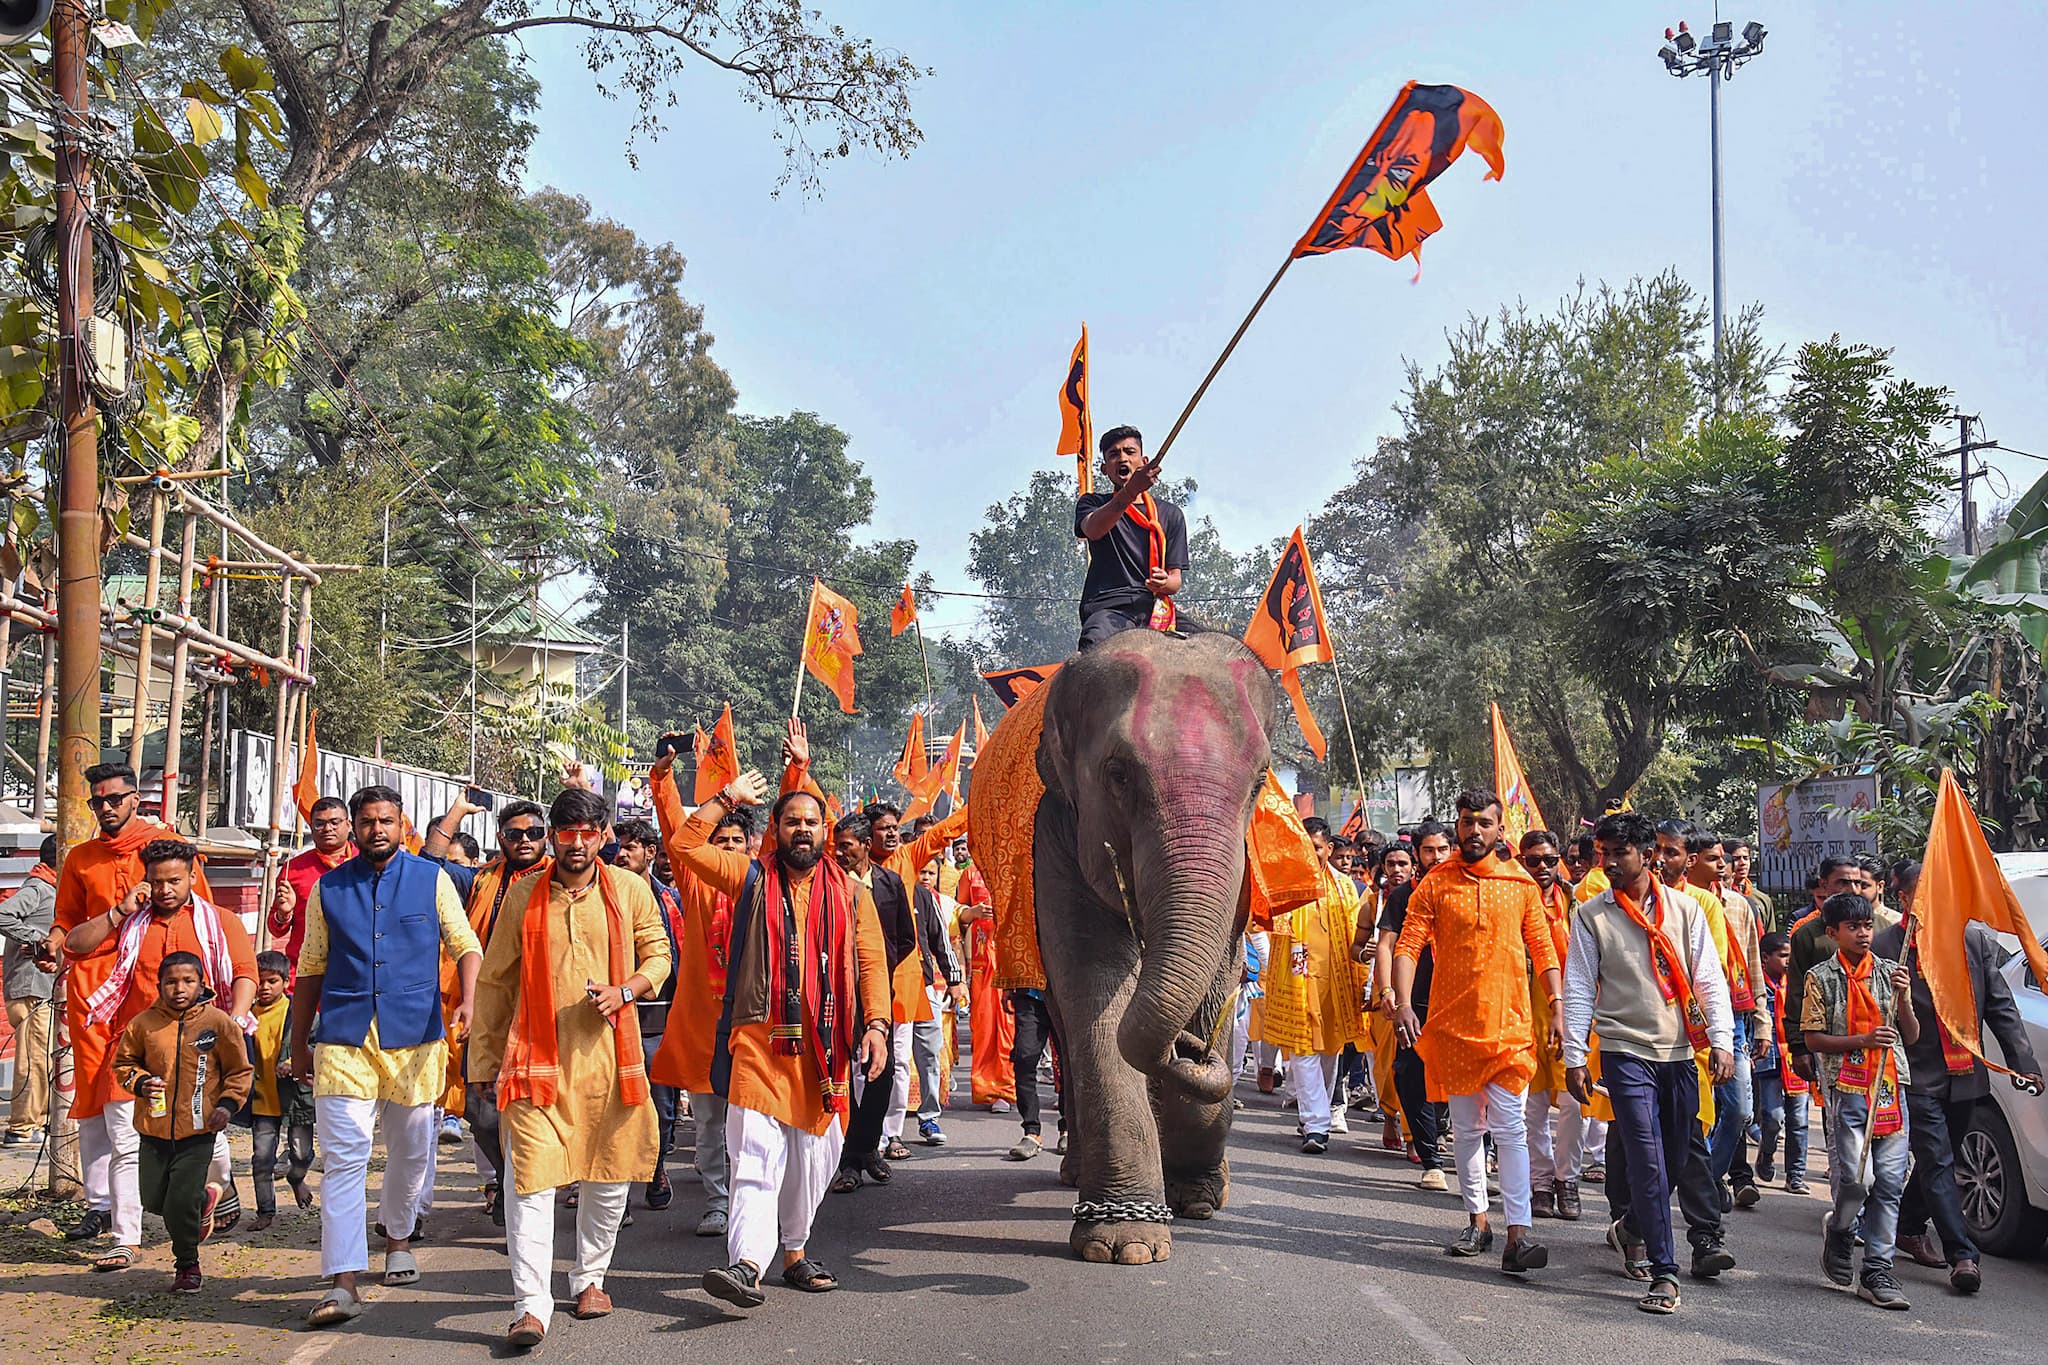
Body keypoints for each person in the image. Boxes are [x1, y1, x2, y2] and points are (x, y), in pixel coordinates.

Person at [667, 769, 890, 1310]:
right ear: (776, 827)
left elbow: (870, 961)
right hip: (758, 1041)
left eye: (812, 822)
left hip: (827, 1047)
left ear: (825, 829)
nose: (803, 830)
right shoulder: (747, 876)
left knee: (814, 1159)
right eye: (792, 821)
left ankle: (794, 1251)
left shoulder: (853, 895)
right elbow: (684, 844)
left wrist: (878, 1025)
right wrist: (726, 798)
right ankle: (746, 1262)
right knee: (754, 1155)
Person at [470, 787, 672, 1349]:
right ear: (555, 835)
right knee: (528, 1185)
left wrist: (626, 990)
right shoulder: (525, 894)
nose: (577, 844)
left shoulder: (630, 890)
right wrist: (482, 1060)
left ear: (603, 835)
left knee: (606, 1176)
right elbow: (494, 981)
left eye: (588, 833)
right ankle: (531, 1307)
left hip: (611, 1062)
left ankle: (590, 1278)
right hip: (536, 1062)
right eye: (566, 833)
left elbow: (659, 955)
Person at [285, 784, 482, 1328]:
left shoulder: (432, 879)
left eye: (386, 821)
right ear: (352, 827)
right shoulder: (327, 888)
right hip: (344, 1039)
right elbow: (309, 969)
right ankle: (343, 1280)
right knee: (344, 1160)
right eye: (367, 822)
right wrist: (299, 1041)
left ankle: (398, 1238)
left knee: (411, 1150)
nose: (377, 830)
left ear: (403, 824)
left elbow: (465, 944)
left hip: (416, 1037)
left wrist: (468, 1000)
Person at [1562, 811, 1733, 1315]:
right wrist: (1576, 1054)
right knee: (1646, 1156)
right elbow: (1577, 987)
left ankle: (1632, 1226)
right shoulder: (1590, 913)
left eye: (1621, 854)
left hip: (1681, 1050)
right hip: (1622, 1050)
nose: (1610, 863)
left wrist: (1721, 1040)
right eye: (1604, 854)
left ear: (1647, 855)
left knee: (1677, 1157)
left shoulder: (1685, 909)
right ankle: (1664, 1272)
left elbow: (1709, 979)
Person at [47, 763, 216, 1251]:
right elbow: (67, 923)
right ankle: (102, 1207)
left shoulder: (165, 850)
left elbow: (200, 916)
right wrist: (52, 944)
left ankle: (200, 1187)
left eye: (114, 799)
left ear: (135, 799)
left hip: (152, 991)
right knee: (96, 1102)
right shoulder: (80, 858)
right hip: (94, 997)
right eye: (97, 801)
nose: (106, 808)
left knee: (170, 1094)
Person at [1392, 792, 1562, 1273]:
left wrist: (1557, 1007)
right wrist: (1403, 1003)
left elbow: (1544, 950)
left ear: (1499, 830)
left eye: (1484, 823)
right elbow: (1408, 945)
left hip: (1510, 1028)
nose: (1474, 831)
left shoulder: (1520, 883)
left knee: (1511, 1130)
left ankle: (1519, 1234)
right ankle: (1477, 1221)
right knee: (1467, 1131)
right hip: (1454, 1029)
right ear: (1458, 825)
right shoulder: (1437, 884)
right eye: (1467, 822)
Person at [66, 835, 253, 1271]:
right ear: (145, 881)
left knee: (210, 1142)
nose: (166, 889)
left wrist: (234, 1021)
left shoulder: (219, 922)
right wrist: (117, 912)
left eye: (175, 880)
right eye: (157, 881)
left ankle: (217, 1188)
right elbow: (75, 945)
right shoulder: (130, 925)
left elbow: (243, 972)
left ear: (192, 877)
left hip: (201, 1053)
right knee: (127, 1145)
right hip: (136, 1049)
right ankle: (125, 1239)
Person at [1876, 872, 2041, 1296]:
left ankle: (1909, 1225)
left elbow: (2001, 1007)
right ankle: (1962, 1255)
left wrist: (2023, 1063)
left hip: (1966, 1073)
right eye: (1923, 896)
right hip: (1916, 1073)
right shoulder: (1886, 947)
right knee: (1938, 1160)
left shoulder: (1974, 941)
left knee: (1942, 1159)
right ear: (1904, 898)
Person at [423, 796, 552, 1223]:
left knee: (539, 1108)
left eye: (534, 833)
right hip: (487, 1009)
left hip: (546, 1010)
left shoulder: (558, 878)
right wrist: (457, 813)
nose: (525, 840)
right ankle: (510, 1178)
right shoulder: (480, 880)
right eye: (515, 834)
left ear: (546, 836)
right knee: (482, 1113)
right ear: (501, 839)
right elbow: (429, 866)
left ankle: (531, 1189)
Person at [646, 739, 748, 1239]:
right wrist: (664, 777)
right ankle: (717, 1201)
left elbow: (796, 827)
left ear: (750, 850)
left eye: (736, 844)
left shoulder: (762, 884)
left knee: (752, 1125)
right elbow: (675, 832)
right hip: (706, 1029)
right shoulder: (695, 883)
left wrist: (797, 770)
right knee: (709, 1124)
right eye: (720, 842)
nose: (727, 850)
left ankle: (754, 1202)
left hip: (756, 1025)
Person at [111, 951, 253, 1295]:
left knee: (178, 1201)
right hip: (153, 1129)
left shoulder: (218, 1023)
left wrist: (227, 1105)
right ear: (159, 985)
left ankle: (187, 1264)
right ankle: (203, 1200)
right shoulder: (143, 1024)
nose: (179, 988)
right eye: (171, 981)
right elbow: (123, 1064)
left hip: (198, 1130)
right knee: (155, 1200)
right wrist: (141, 1082)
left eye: (188, 981)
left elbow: (239, 1071)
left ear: (201, 983)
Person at [1803, 891, 1918, 1310]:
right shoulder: (1821, 977)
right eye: (1852, 927)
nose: (1863, 934)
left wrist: (1904, 999)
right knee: (1859, 1180)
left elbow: (1912, 1035)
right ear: (1833, 933)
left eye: (1868, 925)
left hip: (1889, 1086)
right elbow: (1814, 1038)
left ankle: (1877, 1269)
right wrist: (1862, 1040)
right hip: (1847, 1088)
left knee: (1890, 1182)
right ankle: (1841, 1228)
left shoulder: (1891, 973)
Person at [1262, 817, 1370, 1154]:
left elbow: (1357, 934)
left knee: (1330, 1051)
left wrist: (1365, 980)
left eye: (1317, 848)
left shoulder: (1345, 887)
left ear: (1330, 849)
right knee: (1304, 1052)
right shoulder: (1286, 884)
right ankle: (1316, 1125)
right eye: (1304, 848)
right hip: (1298, 980)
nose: (1311, 854)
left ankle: (1317, 1111)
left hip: (1336, 981)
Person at [827, 809, 916, 1190]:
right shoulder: (825, 883)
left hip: (878, 994)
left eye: (846, 847)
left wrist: (877, 966)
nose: (839, 853)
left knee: (881, 1072)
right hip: (834, 993)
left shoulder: (890, 882)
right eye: (836, 846)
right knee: (841, 1075)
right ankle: (848, 1158)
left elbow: (905, 937)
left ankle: (866, 1148)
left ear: (866, 846)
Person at [1685, 830, 1766, 1211]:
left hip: (1733, 1018)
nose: (1725, 865)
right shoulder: (1679, 903)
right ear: (1690, 861)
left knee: (1739, 1110)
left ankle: (1707, 1177)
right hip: (1688, 1020)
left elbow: (1752, 966)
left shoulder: (1739, 905)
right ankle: (1699, 1188)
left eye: (1726, 859)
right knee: (1699, 1110)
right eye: (1715, 859)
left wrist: (1762, 1021)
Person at [613, 817, 685, 1213]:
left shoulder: (670, 901)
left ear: (650, 853)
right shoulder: (602, 892)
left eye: (631, 847)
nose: (622, 853)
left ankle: (656, 1168)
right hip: (610, 1017)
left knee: (660, 1102)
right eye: (619, 846)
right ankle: (615, 1193)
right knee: (614, 1105)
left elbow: (676, 958)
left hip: (658, 1018)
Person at [1376, 822, 1451, 1185]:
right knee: (1409, 1073)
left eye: (1442, 850)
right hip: (1414, 1000)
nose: (1436, 857)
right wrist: (1388, 992)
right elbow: (1388, 946)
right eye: (1429, 850)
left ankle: (1474, 1148)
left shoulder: (1467, 890)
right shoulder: (1403, 896)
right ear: (1417, 854)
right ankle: (1431, 1158)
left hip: (1458, 999)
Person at [1518, 830, 1582, 1220]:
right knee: (1532, 1106)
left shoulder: (1577, 902)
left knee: (1575, 1103)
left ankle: (1567, 1178)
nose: (1543, 867)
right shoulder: (1510, 900)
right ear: (1521, 861)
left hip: (1571, 1012)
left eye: (1549, 859)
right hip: (1524, 1010)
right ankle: (1541, 1182)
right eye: (1534, 860)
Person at [1074, 425, 1187, 648]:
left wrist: (1164, 582)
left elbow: (1175, 580)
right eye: (1114, 454)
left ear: (1144, 462)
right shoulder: (1092, 503)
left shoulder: (1171, 514)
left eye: (1129, 452)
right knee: (1091, 651)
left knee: (1219, 651)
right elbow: (1094, 529)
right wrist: (1130, 491)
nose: (1123, 458)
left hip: (1156, 609)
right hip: (1109, 608)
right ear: (1105, 468)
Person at [245, 950, 314, 1230]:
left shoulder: (300, 1012)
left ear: (286, 981)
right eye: (259, 981)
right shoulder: (246, 1016)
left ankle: (296, 1178)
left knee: (301, 1154)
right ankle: (265, 1211)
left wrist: (292, 1061)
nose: (264, 987)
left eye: (271, 981)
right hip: (261, 1101)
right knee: (262, 1158)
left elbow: (318, 1044)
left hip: (295, 1099)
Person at [1, 835, 58, 1147]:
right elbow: (2, 913)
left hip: (43, 986)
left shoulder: (52, 889)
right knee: (33, 1058)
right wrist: (35, 939)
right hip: (30, 986)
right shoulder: (37, 888)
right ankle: (21, 1127)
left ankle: (39, 1122)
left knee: (46, 1057)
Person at [912, 860, 966, 1145]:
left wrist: (954, 979)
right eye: (921, 870)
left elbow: (940, 940)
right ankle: (884, 1129)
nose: (925, 877)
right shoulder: (881, 888)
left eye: (930, 872)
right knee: (893, 1061)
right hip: (888, 988)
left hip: (924, 985)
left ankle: (929, 1117)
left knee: (929, 1052)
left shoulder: (925, 897)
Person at [1751, 931, 1809, 1195]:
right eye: (1783, 956)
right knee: (1772, 1116)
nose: (1788, 961)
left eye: (1790, 956)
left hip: (1796, 1057)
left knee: (1799, 1119)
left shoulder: (1798, 983)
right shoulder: (1758, 985)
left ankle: (1795, 1175)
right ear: (1765, 958)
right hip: (1769, 1058)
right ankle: (1767, 1150)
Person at [267, 796, 353, 972]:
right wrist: (284, 914)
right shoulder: (294, 869)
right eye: (319, 824)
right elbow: (275, 929)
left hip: (354, 972)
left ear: (349, 824)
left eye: (334, 822)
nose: (327, 829)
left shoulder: (367, 862)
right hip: (305, 972)